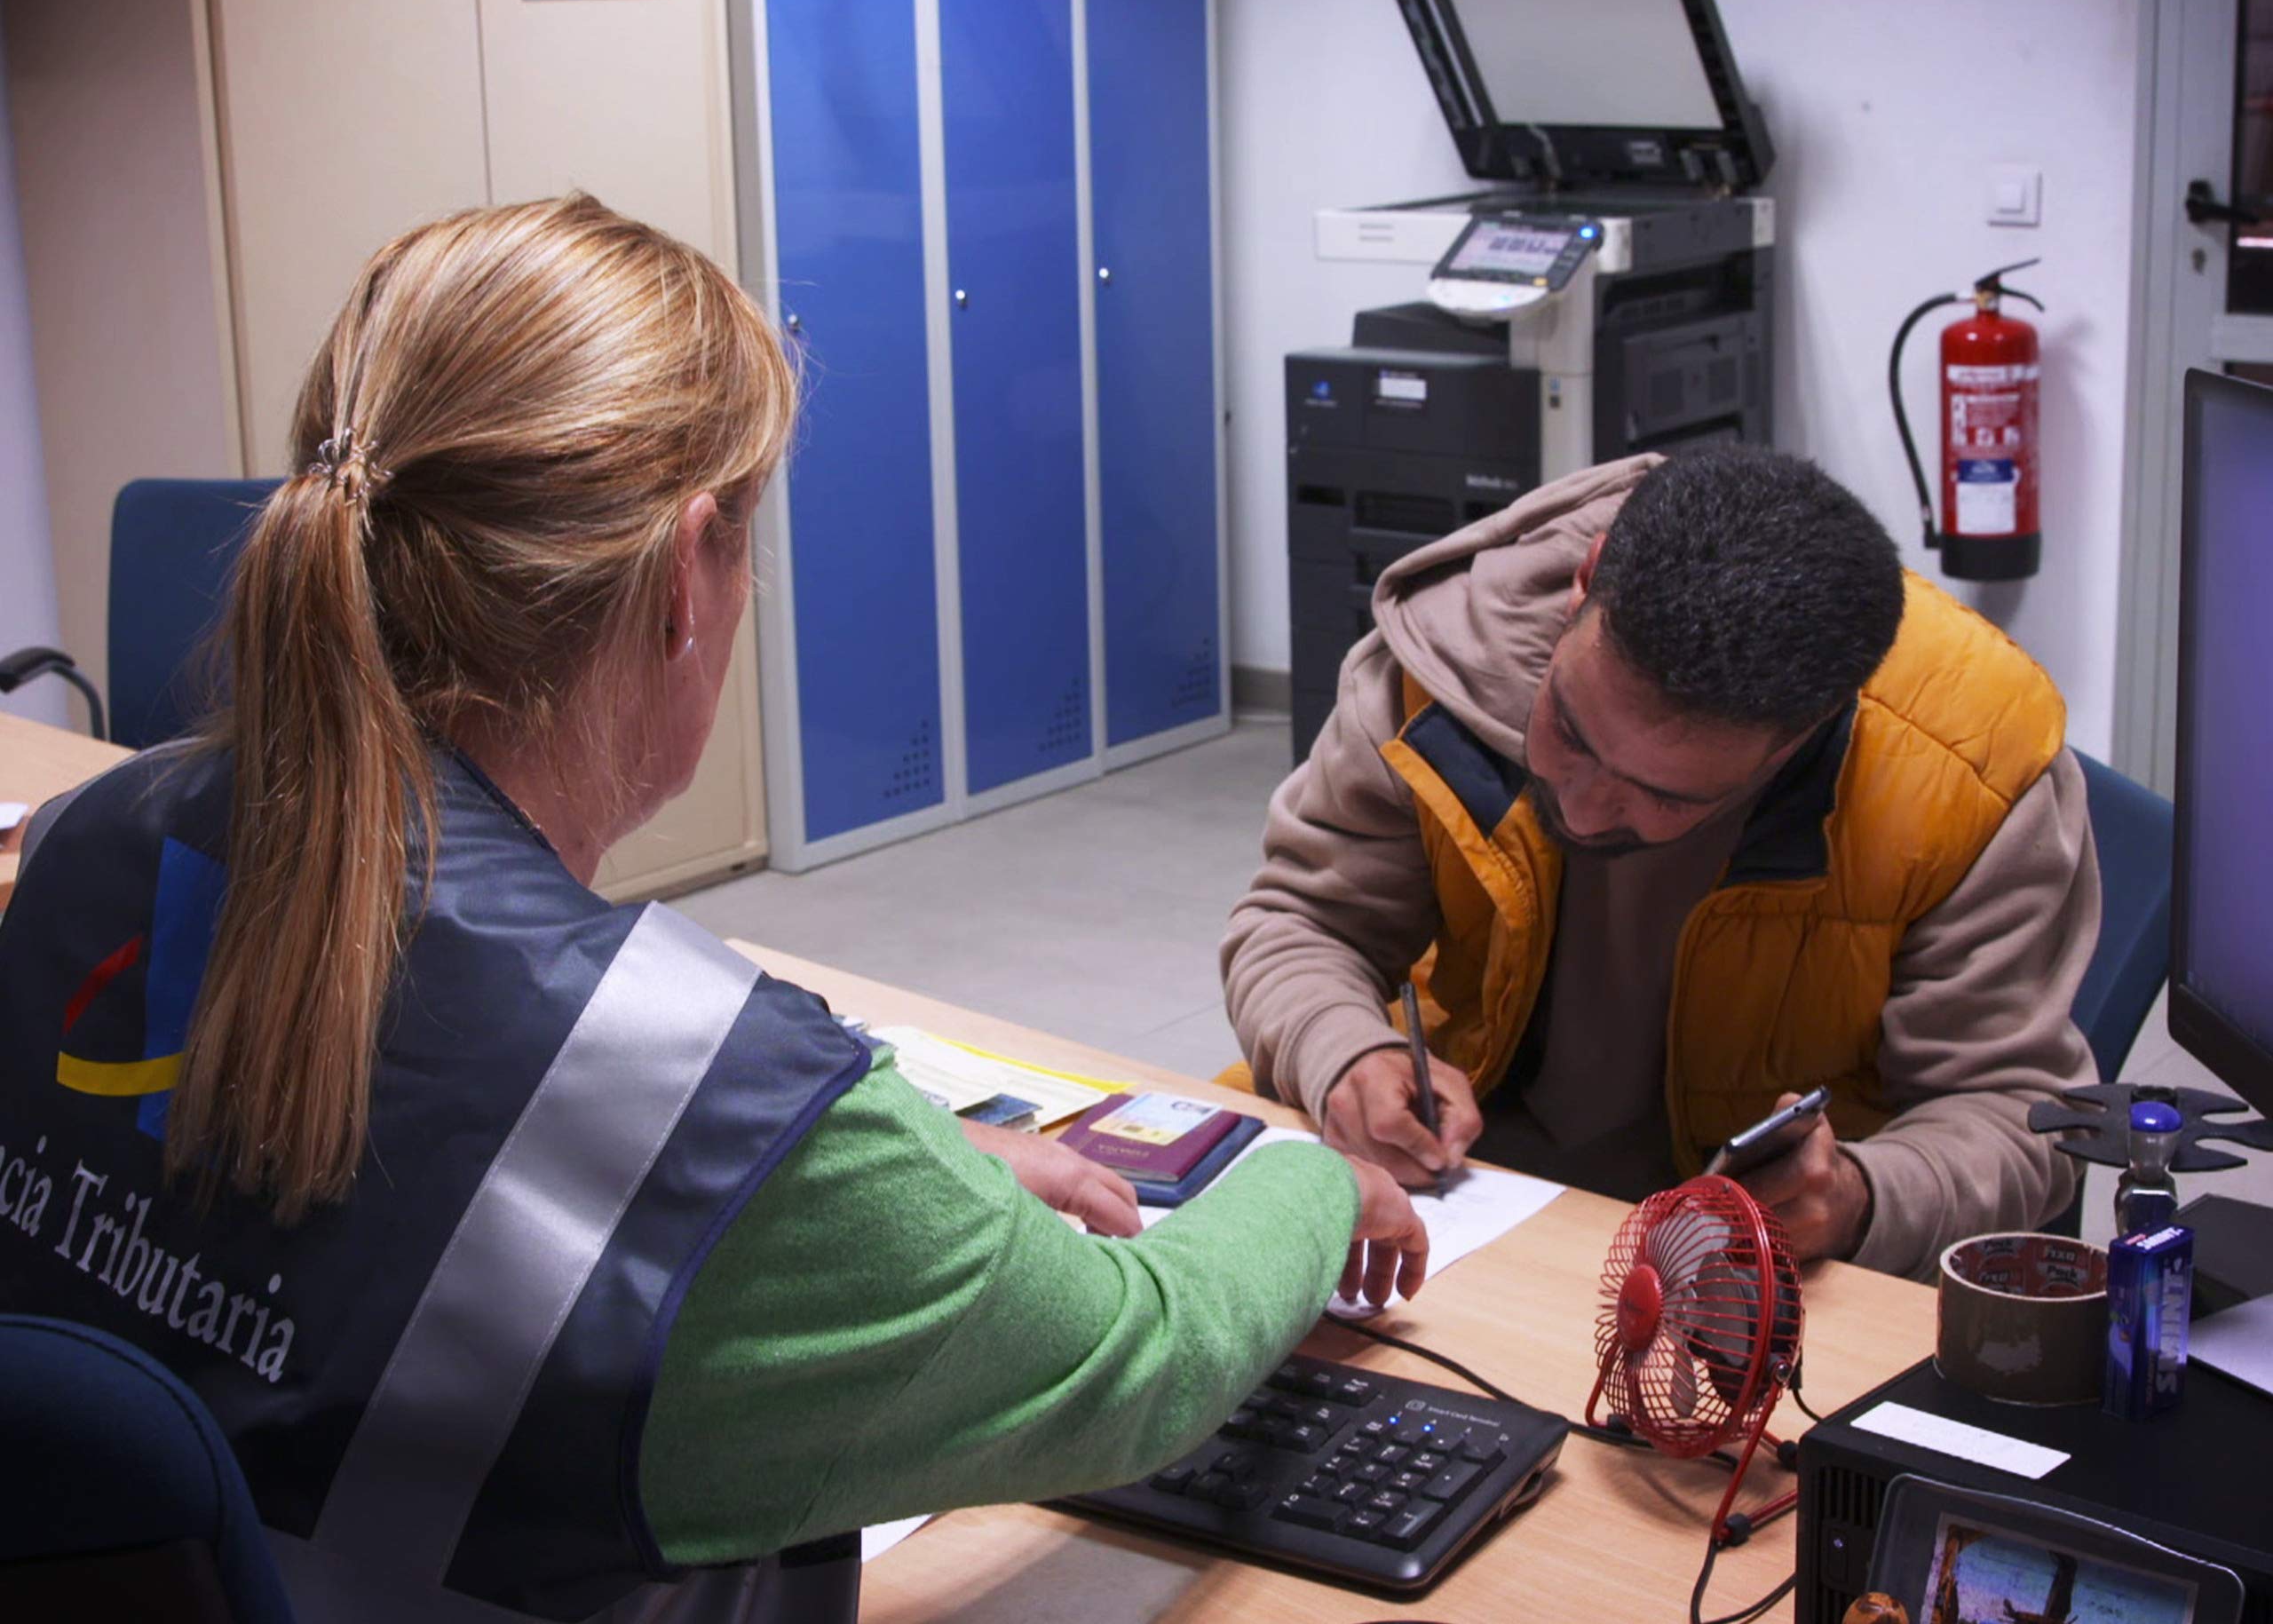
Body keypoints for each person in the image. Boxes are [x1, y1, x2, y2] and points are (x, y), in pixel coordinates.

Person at [0, 194, 1429, 1624]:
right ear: (689, 576)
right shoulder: (688, 1091)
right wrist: (1310, 1178)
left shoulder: (84, 846)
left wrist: (907, 1181)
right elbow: (1147, 1358)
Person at [1223, 448, 2101, 1280]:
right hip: (1462, 1201)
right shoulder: (1440, 659)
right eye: (1569, 729)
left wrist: (1858, 1198)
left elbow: (2017, 1117)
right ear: (1584, 581)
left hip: (1758, 1273)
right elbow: (1299, 921)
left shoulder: (1974, 772)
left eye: (1667, 796)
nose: (1584, 805)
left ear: (1811, 727)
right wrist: (1342, 1052)